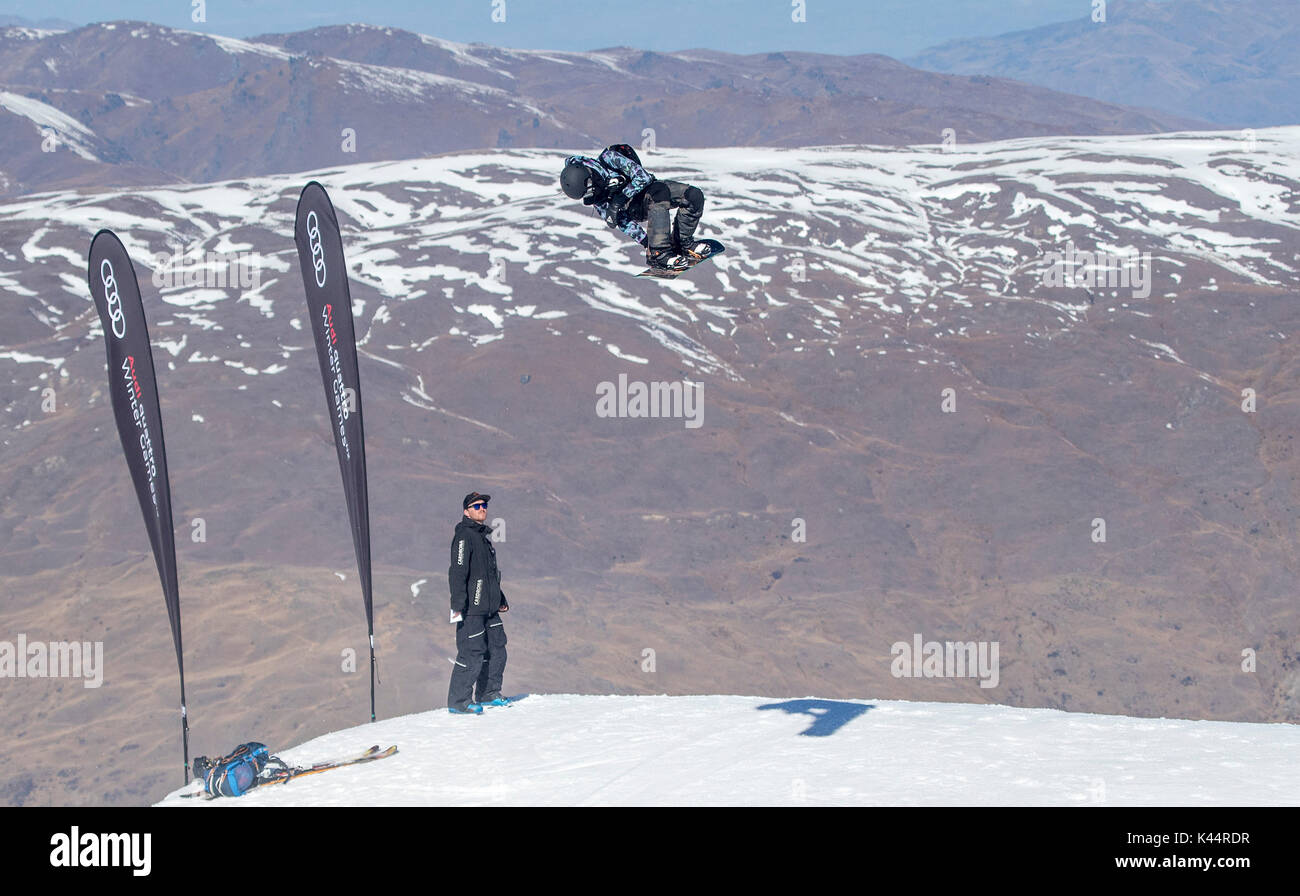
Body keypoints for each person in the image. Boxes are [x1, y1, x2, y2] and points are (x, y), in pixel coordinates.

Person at [560, 143, 707, 271]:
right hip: (640, 205)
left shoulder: (609, 159)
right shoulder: (597, 197)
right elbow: (622, 221)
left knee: (693, 196)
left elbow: (643, 177)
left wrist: (620, 198)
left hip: (649, 188)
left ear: (589, 178)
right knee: (658, 195)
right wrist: (646, 242)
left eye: (589, 192)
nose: (592, 197)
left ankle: (683, 243)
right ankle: (658, 254)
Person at [446, 491, 510, 714]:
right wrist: (457, 607)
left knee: (497, 649)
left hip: (489, 608)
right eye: (477, 506)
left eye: (484, 505)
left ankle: (488, 693)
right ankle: (459, 701)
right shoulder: (464, 536)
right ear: (466, 511)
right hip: (471, 609)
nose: (482, 509)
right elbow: (457, 572)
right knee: (472, 652)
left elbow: (489, 575)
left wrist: (500, 598)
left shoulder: (482, 538)